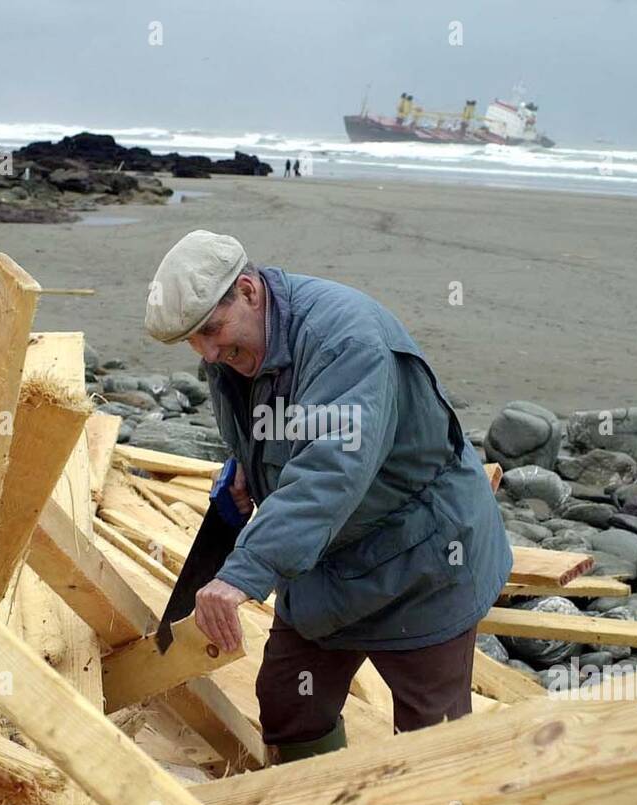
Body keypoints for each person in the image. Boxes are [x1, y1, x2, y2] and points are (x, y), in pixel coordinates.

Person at [144, 230, 512, 762]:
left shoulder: (345, 341)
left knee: (432, 742)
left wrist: (243, 573)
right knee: (290, 704)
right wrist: (250, 466)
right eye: (193, 342)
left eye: (212, 331)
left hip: (422, 559)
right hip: (325, 559)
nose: (207, 353)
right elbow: (279, 424)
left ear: (247, 291)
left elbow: (330, 468)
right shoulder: (237, 346)